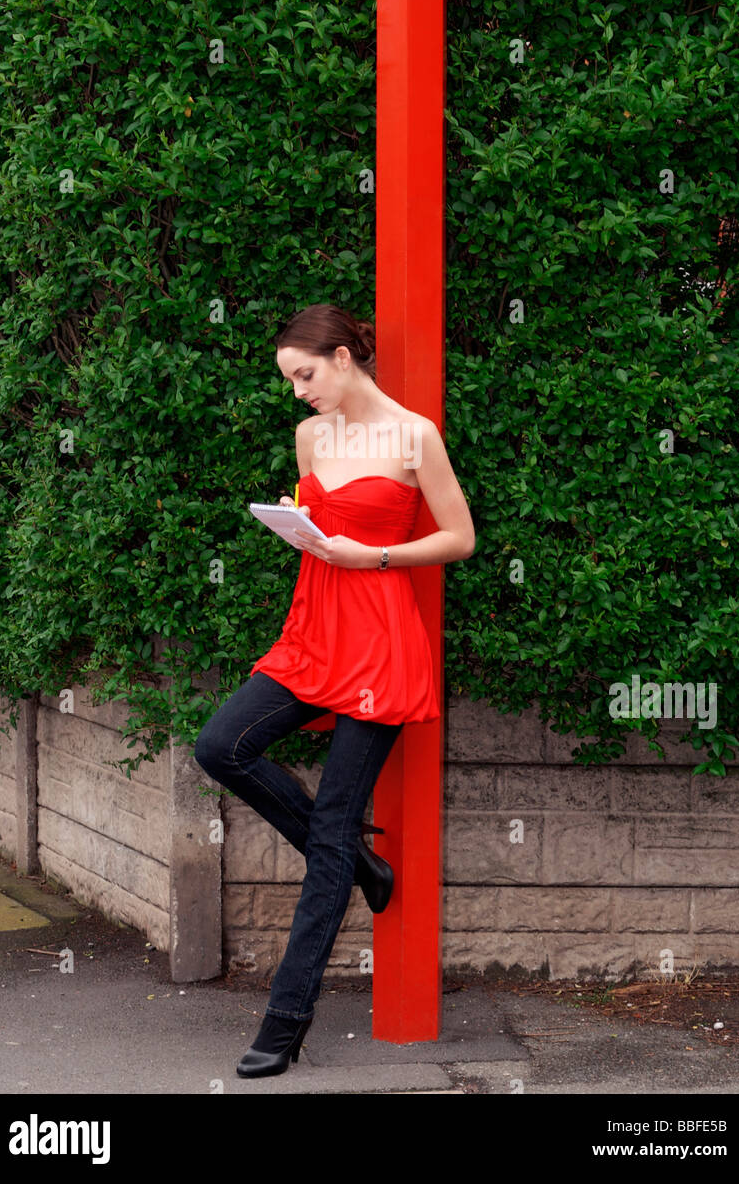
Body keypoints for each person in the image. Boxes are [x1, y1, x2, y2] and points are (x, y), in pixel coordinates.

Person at [193, 303, 475, 1077]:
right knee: (220, 746)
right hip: (312, 633)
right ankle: (361, 861)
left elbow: (460, 536)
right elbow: (320, 518)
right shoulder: (312, 437)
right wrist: (300, 526)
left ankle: (284, 1022)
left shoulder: (415, 436)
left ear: (347, 356)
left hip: (381, 645)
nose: (298, 393)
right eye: (289, 380)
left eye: (305, 375)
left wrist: (373, 556)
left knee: (328, 835)